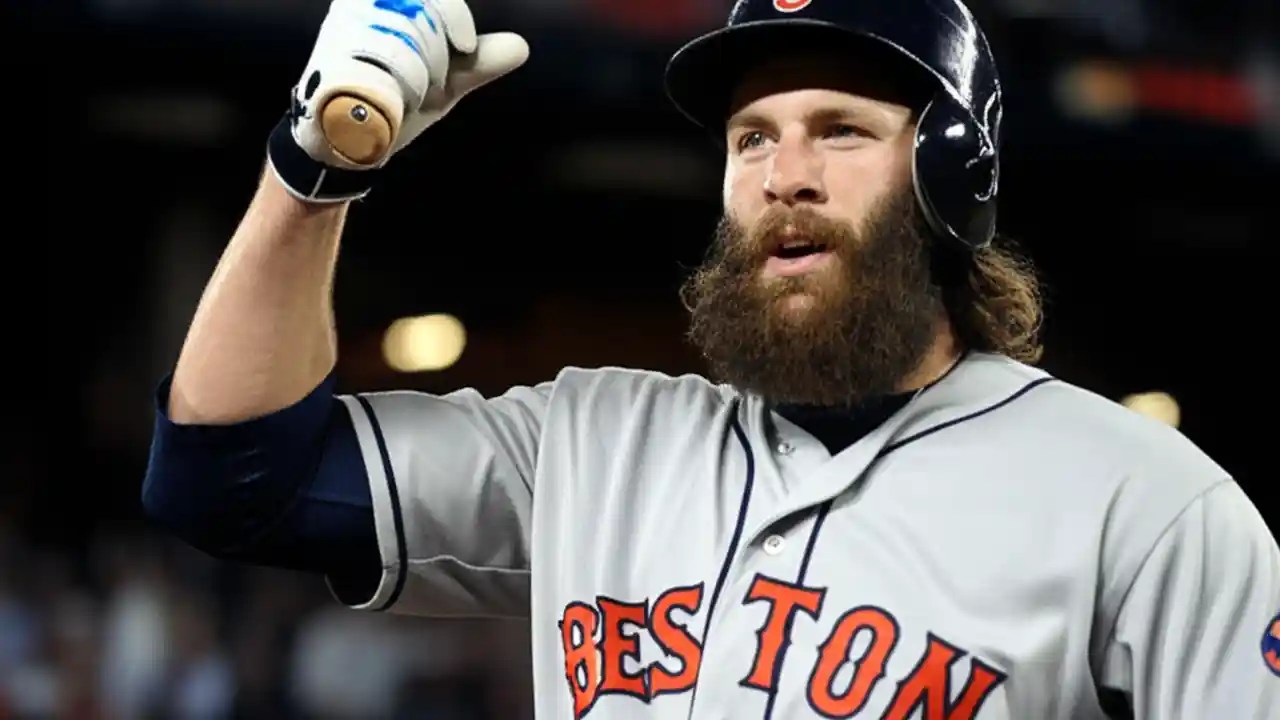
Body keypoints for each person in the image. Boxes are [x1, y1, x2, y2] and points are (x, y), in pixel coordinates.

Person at [141, 0, 1280, 717]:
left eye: (839, 129)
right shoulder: (585, 444)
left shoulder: (1146, 507)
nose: (784, 173)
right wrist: (313, 169)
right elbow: (229, 477)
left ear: (952, 178)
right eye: (750, 139)